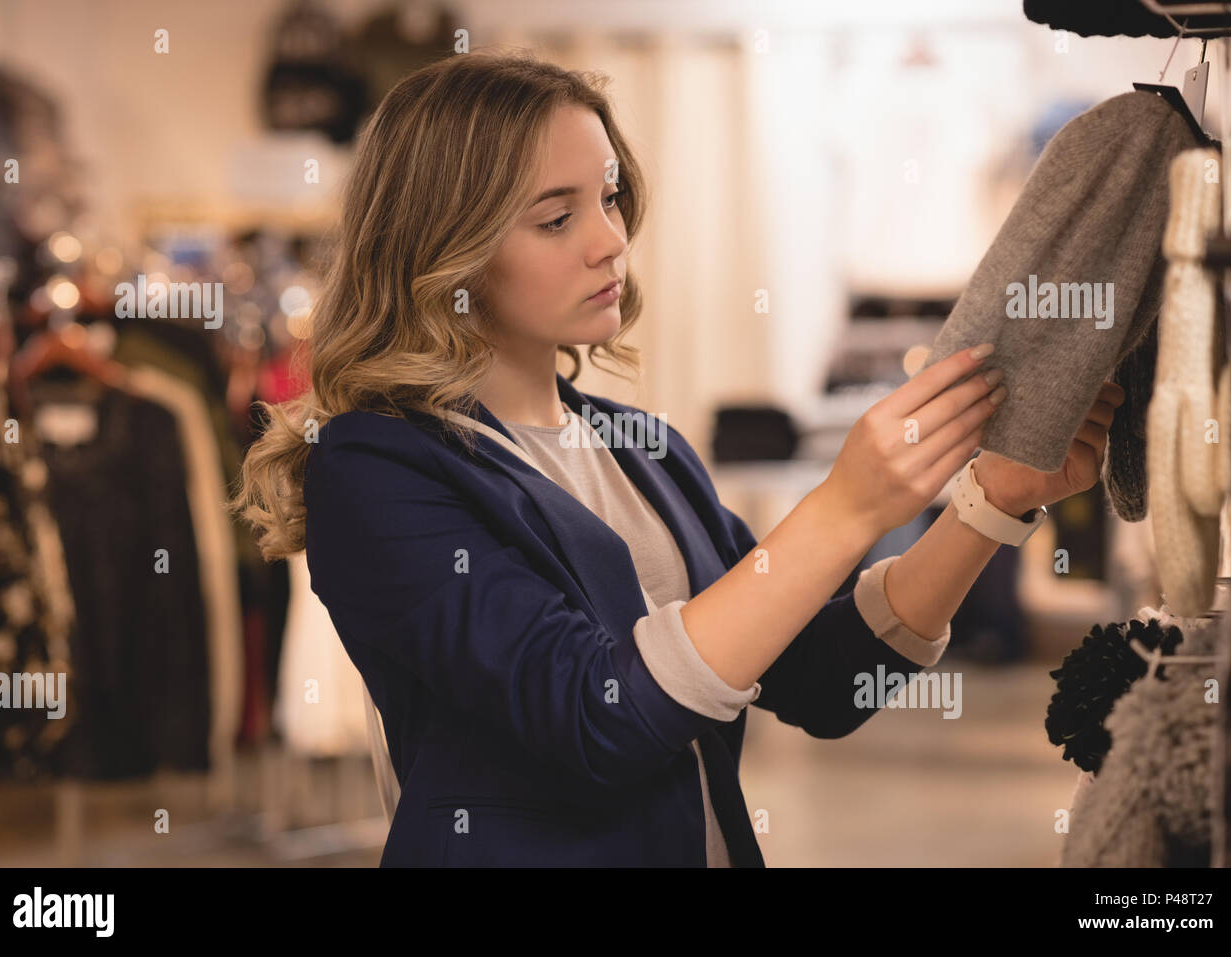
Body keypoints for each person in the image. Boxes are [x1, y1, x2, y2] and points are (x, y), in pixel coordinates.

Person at [233, 50, 1124, 867]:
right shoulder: (375, 469)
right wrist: (846, 508)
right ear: (444, 250)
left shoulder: (640, 446)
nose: (610, 239)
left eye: (611, 196)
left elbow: (821, 675)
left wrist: (987, 505)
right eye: (556, 217)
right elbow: (595, 716)